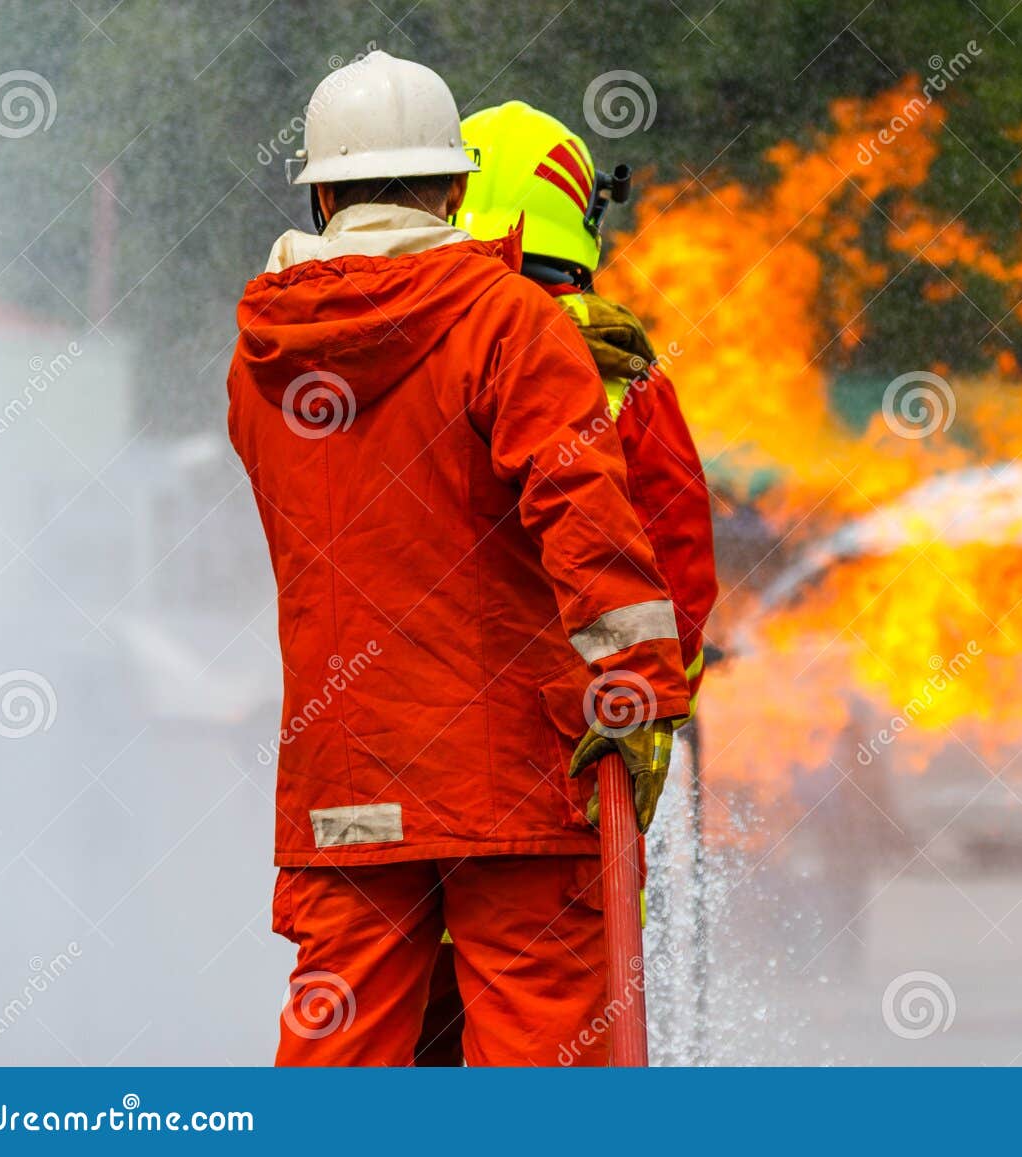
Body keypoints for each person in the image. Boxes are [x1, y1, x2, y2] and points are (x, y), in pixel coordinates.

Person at [226, 50, 690, 1067]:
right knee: (540, 1061)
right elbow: (585, 510)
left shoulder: (260, 354)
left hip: (343, 770)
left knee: (337, 1056)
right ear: (453, 186)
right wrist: (639, 691)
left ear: (319, 186)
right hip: (511, 779)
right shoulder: (507, 321)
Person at [412, 99, 719, 1066]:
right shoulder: (626, 385)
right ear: (581, 219)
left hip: (394, 799)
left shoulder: (394, 352)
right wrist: (646, 718)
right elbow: (681, 595)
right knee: (554, 1058)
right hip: (560, 797)